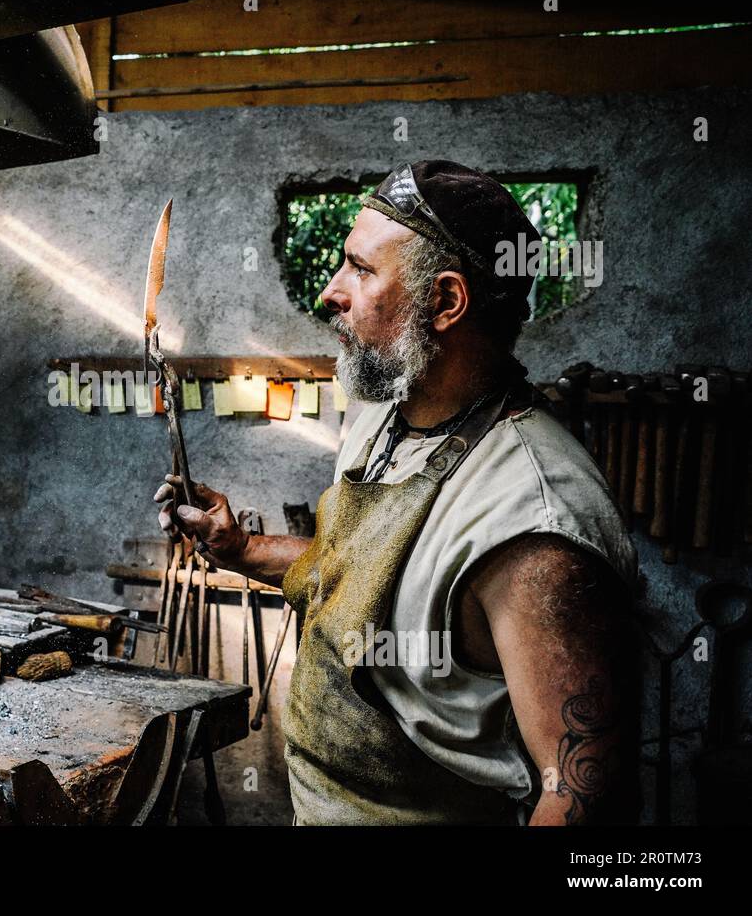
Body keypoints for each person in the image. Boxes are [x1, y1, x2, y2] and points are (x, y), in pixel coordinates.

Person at [155, 161, 639, 825]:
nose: (331, 291)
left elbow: (583, 797)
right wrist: (239, 546)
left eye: (360, 269)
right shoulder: (385, 413)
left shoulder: (532, 517)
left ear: (445, 302)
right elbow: (366, 572)